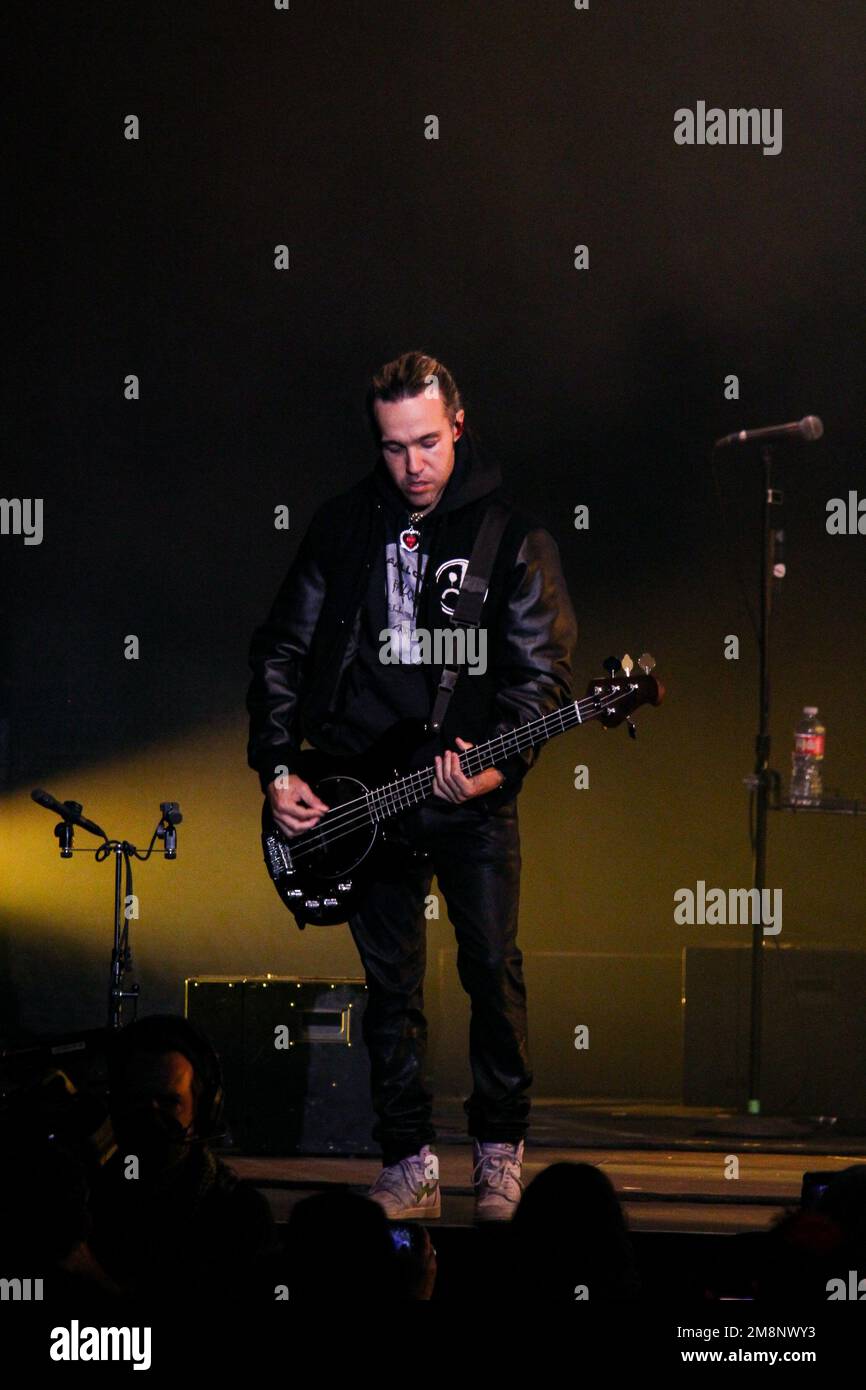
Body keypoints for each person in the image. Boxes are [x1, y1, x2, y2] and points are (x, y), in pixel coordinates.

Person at [246, 350, 578, 1222]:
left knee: (489, 969)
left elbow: (539, 677)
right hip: (360, 788)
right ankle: (407, 1159)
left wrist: (501, 763)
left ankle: (500, 1151)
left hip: (470, 792)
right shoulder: (343, 525)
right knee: (390, 988)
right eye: (394, 448)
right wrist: (279, 765)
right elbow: (281, 648)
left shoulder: (512, 537)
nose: (413, 465)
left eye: (428, 442)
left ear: (458, 427)